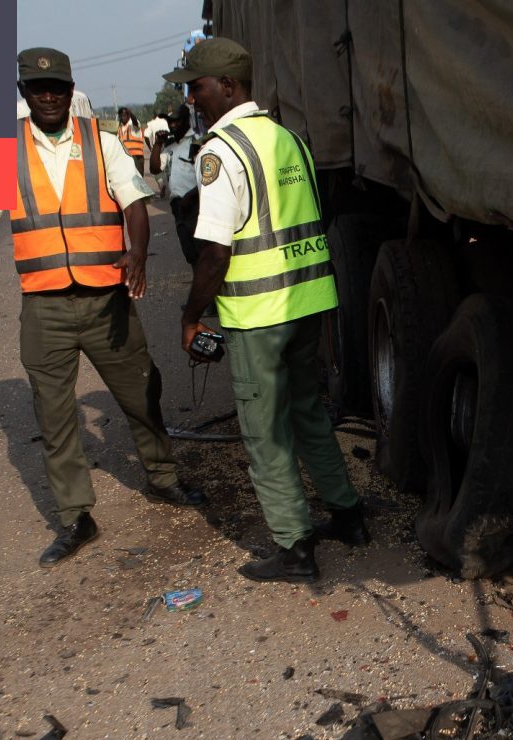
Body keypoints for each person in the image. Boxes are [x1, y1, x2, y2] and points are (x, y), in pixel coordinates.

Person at [0, 47, 207, 568]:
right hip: (44, 308)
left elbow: (134, 203)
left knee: (141, 391)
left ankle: (163, 478)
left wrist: (137, 251)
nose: (48, 96)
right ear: (23, 93)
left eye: (57, 87)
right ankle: (76, 517)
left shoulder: (103, 142)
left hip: (105, 301)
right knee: (54, 415)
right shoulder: (4, 152)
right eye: (36, 88)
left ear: (71, 90)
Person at [164, 38, 368, 584]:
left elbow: (215, 253)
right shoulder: (288, 140)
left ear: (227, 86)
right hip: (308, 304)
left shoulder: (220, 151)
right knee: (306, 413)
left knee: (265, 433)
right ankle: (349, 515)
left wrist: (190, 316)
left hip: (259, 316)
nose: (189, 95)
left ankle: (295, 549)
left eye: (196, 85)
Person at [151, 104, 201, 266]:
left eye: (176, 121)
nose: (172, 125)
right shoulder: (170, 146)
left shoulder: (196, 143)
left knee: (202, 253)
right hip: (178, 207)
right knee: (190, 254)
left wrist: (191, 196)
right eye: (169, 122)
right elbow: (154, 168)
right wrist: (158, 144)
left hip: (195, 205)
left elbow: (206, 178)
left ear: (186, 121)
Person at [143, 113, 171, 198]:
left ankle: (161, 185)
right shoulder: (166, 121)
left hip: (158, 148)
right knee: (169, 168)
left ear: (154, 117)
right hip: (169, 146)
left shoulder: (151, 123)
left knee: (157, 170)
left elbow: (146, 136)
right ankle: (172, 188)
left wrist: (151, 148)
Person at [117, 107, 146, 176]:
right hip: (125, 158)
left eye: (124, 115)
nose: (122, 117)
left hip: (136, 157)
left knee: (138, 178)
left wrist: (131, 114)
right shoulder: (119, 129)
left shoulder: (133, 125)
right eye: (121, 116)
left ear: (128, 116)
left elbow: (135, 122)